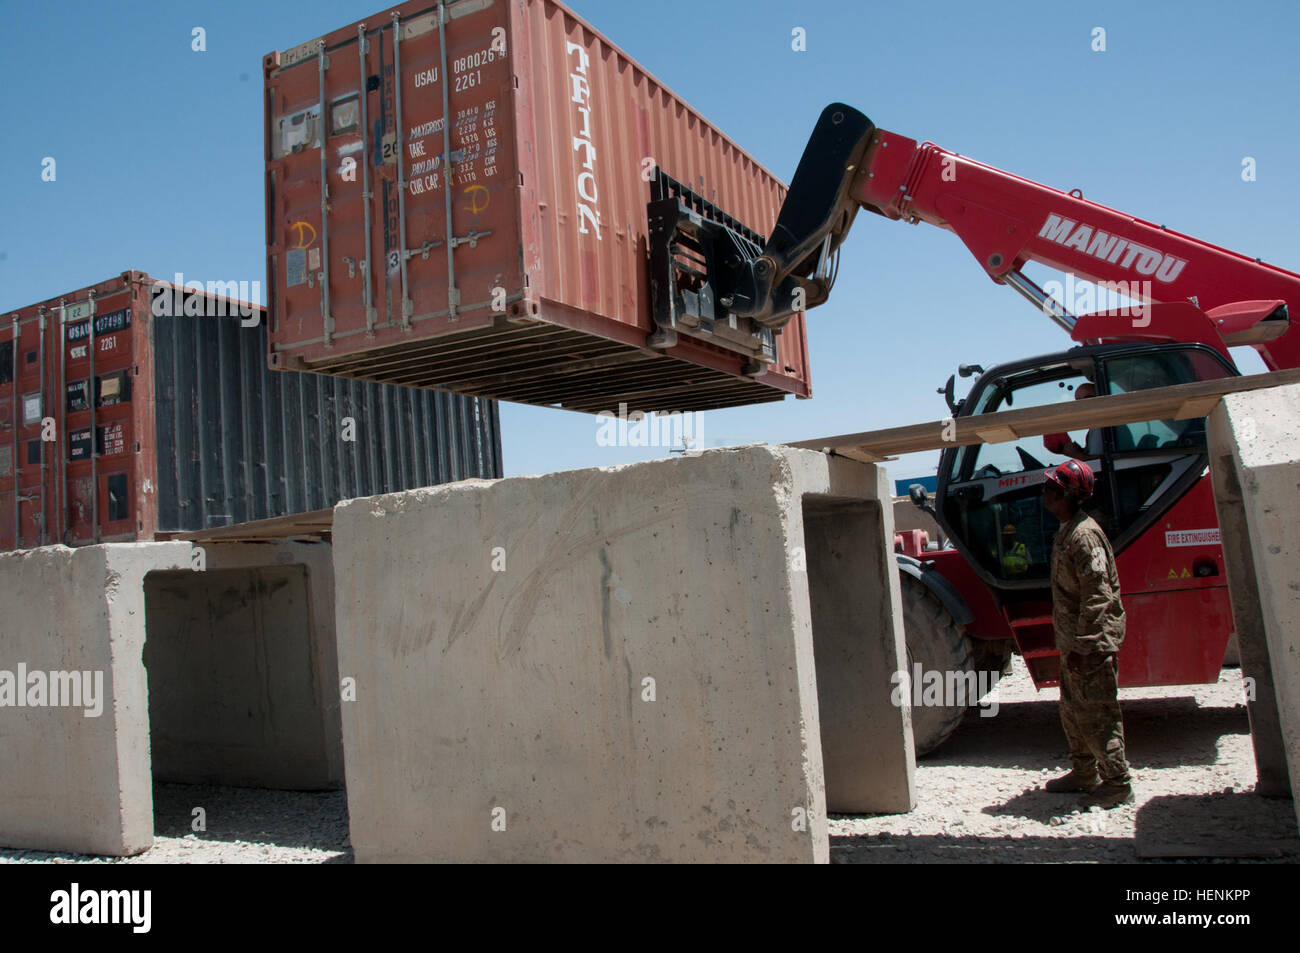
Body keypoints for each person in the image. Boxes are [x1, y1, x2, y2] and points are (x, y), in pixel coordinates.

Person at [1040, 458, 1134, 808]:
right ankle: (1084, 772)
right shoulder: (1068, 530)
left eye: (1050, 488)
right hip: (1075, 642)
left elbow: (1098, 595)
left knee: (1098, 713)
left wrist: (1085, 646)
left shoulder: (1085, 535)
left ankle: (1118, 781)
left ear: (1065, 495)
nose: (1044, 494)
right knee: (1072, 710)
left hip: (1089, 644)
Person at [1043, 382, 1104, 458]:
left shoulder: (1103, 425)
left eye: (1088, 398)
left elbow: (1101, 461)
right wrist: (1080, 450)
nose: (1082, 405)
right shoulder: (1094, 426)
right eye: (1078, 401)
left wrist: (1075, 454)